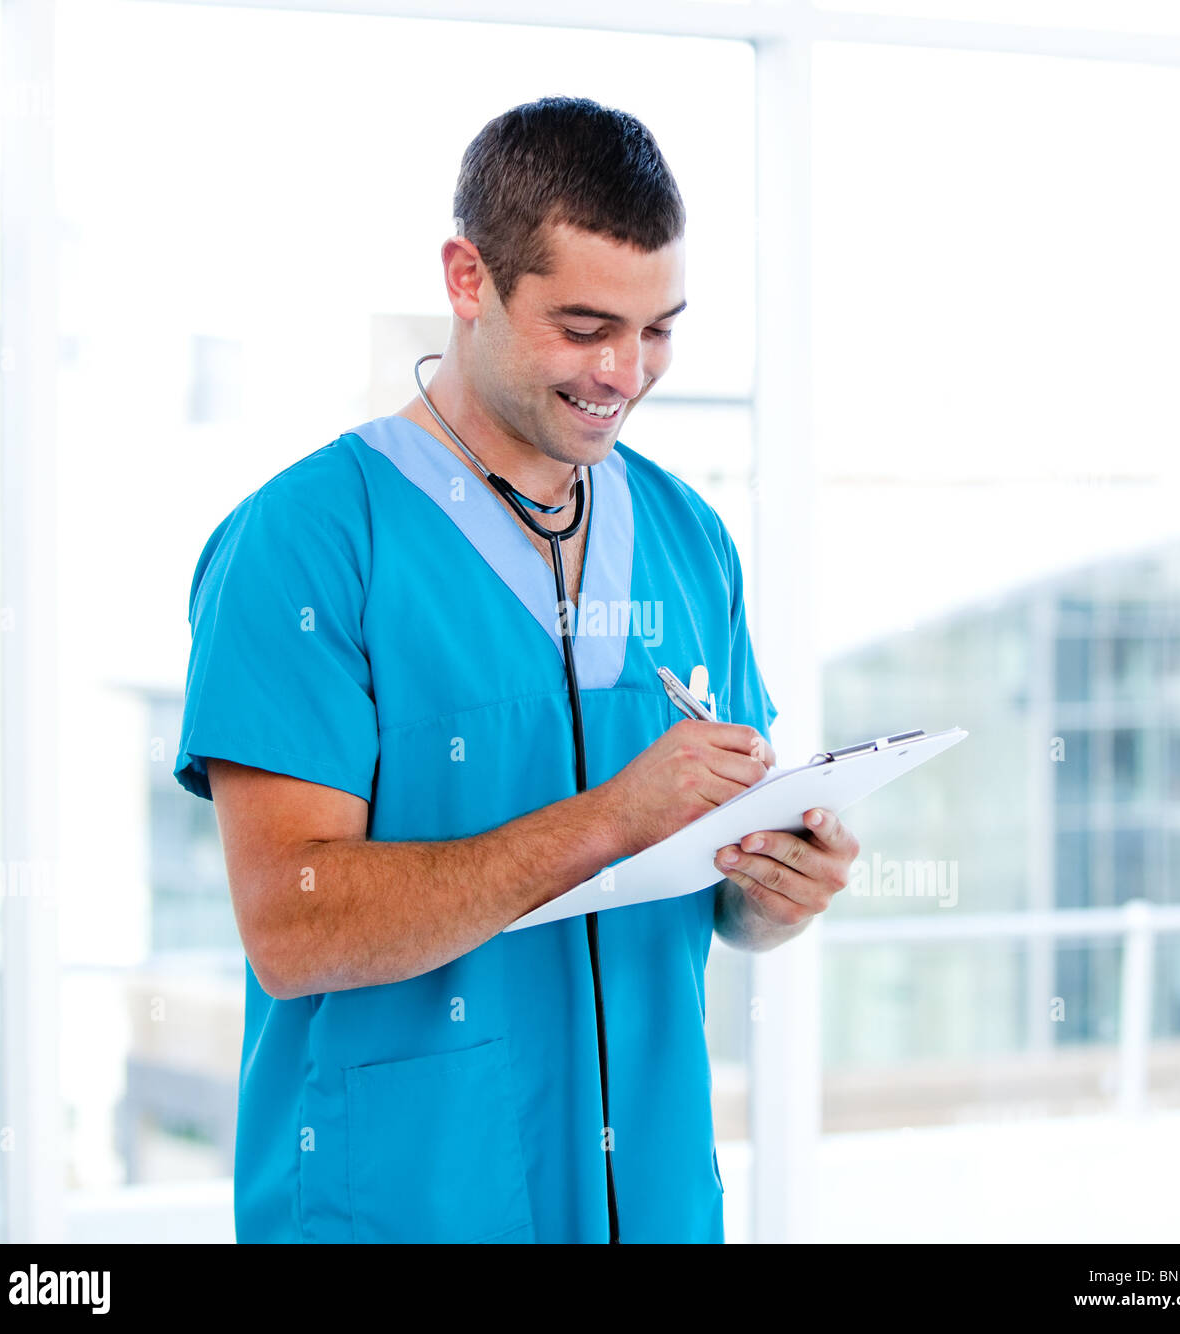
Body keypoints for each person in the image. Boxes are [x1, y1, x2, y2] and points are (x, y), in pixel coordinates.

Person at [174, 96, 860, 1244]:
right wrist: (606, 818)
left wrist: (773, 889)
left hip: (654, 1201)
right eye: (584, 326)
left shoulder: (689, 538)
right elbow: (290, 927)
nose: (625, 373)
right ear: (467, 277)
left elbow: (720, 888)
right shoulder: (307, 541)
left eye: (658, 328)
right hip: (398, 1205)